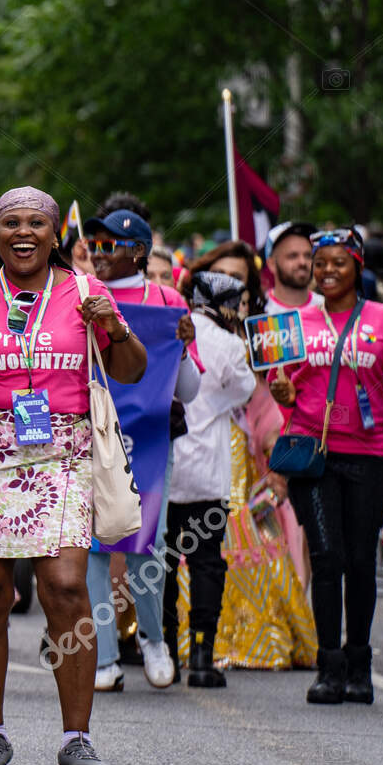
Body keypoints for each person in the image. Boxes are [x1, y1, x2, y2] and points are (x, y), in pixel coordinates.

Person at [0, 186, 146, 765]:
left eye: (35, 223)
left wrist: (114, 328)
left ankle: (77, 739)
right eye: (11, 222)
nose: (24, 232)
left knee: (66, 587)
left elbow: (131, 370)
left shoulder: (85, 293)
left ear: (52, 234)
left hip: (63, 448)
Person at [269, 227, 383, 705]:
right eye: (320, 263)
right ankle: (328, 667)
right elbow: (284, 388)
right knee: (326, 558)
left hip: (369, 455)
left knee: (359, 561)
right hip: (312, 456)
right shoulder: (295, 322)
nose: (328, 270)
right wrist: (283, 394)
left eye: (339, 262)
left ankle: (361, 665)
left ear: (357, 266)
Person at [80, 207, 201, 691]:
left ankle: (153, 639)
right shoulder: (82, 294)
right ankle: (103, 656)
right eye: (95, 244)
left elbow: (188, 389)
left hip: (149, 439)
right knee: (91, 545)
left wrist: (187, 347)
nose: (99, 253)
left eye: (111, 245)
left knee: (145, 543)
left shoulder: (166, 299)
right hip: (92, 431)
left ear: (139, 253)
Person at [164, 262, 256, 688]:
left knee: (162, 563)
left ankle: (165, 651)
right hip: (208, 473)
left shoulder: (173, 329)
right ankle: (202, 655)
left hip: (166, 468)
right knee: (205, 564)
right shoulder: (231, 345)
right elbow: (243, 391)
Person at [264, 221, 320, 313]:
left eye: (308, 255)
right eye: (292, 256)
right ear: (272, 264)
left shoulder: (328, 307)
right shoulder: (258, 310)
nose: (302, 262)